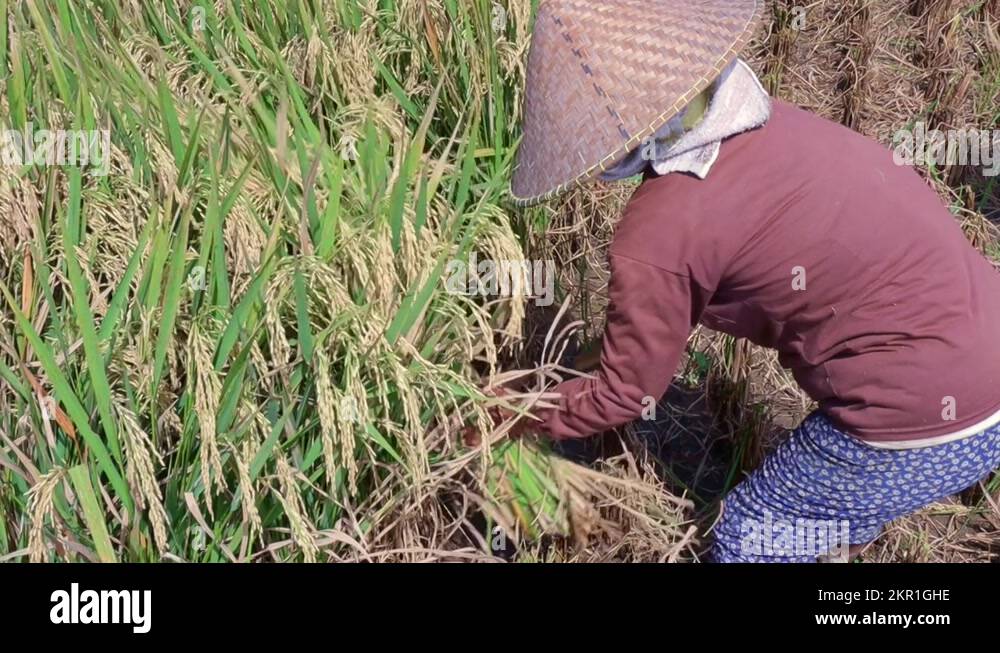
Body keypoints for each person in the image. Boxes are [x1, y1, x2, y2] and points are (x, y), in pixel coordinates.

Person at [508, 0, 1000, 562]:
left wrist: (507, 413)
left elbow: (627, 394)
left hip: (928, 420)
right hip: (987, 355)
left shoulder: (661, 229)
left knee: (751, 534)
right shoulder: (774, 123)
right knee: (826, 520)